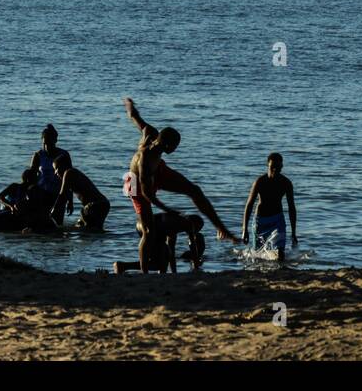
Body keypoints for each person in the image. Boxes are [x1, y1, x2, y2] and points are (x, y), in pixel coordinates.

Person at [123, 96, 238, 273]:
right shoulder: (144, 160)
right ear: (168, 146)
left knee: (194, 190)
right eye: (175, 147)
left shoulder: (150, 132)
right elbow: (148, 194)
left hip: (158, 170)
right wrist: (168, 209)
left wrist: (129, 106)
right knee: (148, 231)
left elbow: (134, 117)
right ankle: (144, 272)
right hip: (136, 184)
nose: (176, 150)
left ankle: (222, 229)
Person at [241, 152, 297, 260]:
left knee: (280, 253)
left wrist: (294, 232)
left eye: (278, 167)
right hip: (260, 221)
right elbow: (249, 205)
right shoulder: (260, 182)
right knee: (258, 255)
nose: (275, 170)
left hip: (277, 220)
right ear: (268, 165)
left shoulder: (286, 183)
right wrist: (245, 230)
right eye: (272, 167)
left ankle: (280, 273)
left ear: (282, 167)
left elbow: (291, 208)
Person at [112, 213, 203, 274]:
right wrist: (195, 266)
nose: (196, 232)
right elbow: (188, 246)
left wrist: (174, 272)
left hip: (142, 225)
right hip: (150, 227)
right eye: (198, 229)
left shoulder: (178, 221)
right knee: (161, 260)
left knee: (160, 261)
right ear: (194, 224)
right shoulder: (183, 224)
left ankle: (123, 266)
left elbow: (171, 252)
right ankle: (123, 266)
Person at [50, 153, 110, 230]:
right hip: (103, 204)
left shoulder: (68, 173)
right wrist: (70, 202)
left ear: (63, 166)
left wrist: (53, 212)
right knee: (92, 229)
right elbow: (69, 190)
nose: (55, 173)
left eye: (56, 169)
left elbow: (62, 194)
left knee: (83, 229)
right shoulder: (73, 173)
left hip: (95, 205)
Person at [0, 168, 55, 233]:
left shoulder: (34, 191)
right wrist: (10, 206)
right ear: (28, 179)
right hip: (9, 211)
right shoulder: (15, 186)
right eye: (35, 178)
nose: (38, 180)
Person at [30, 124, 70, 218]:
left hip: (59, 194)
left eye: (49, 143)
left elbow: (68, 178)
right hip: (41, 194)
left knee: (58, 225)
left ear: (55, 141)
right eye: (44, 144)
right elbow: (30, 177)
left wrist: (70, 200)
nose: (46, 147)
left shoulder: (64, 154)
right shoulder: (38, 155)